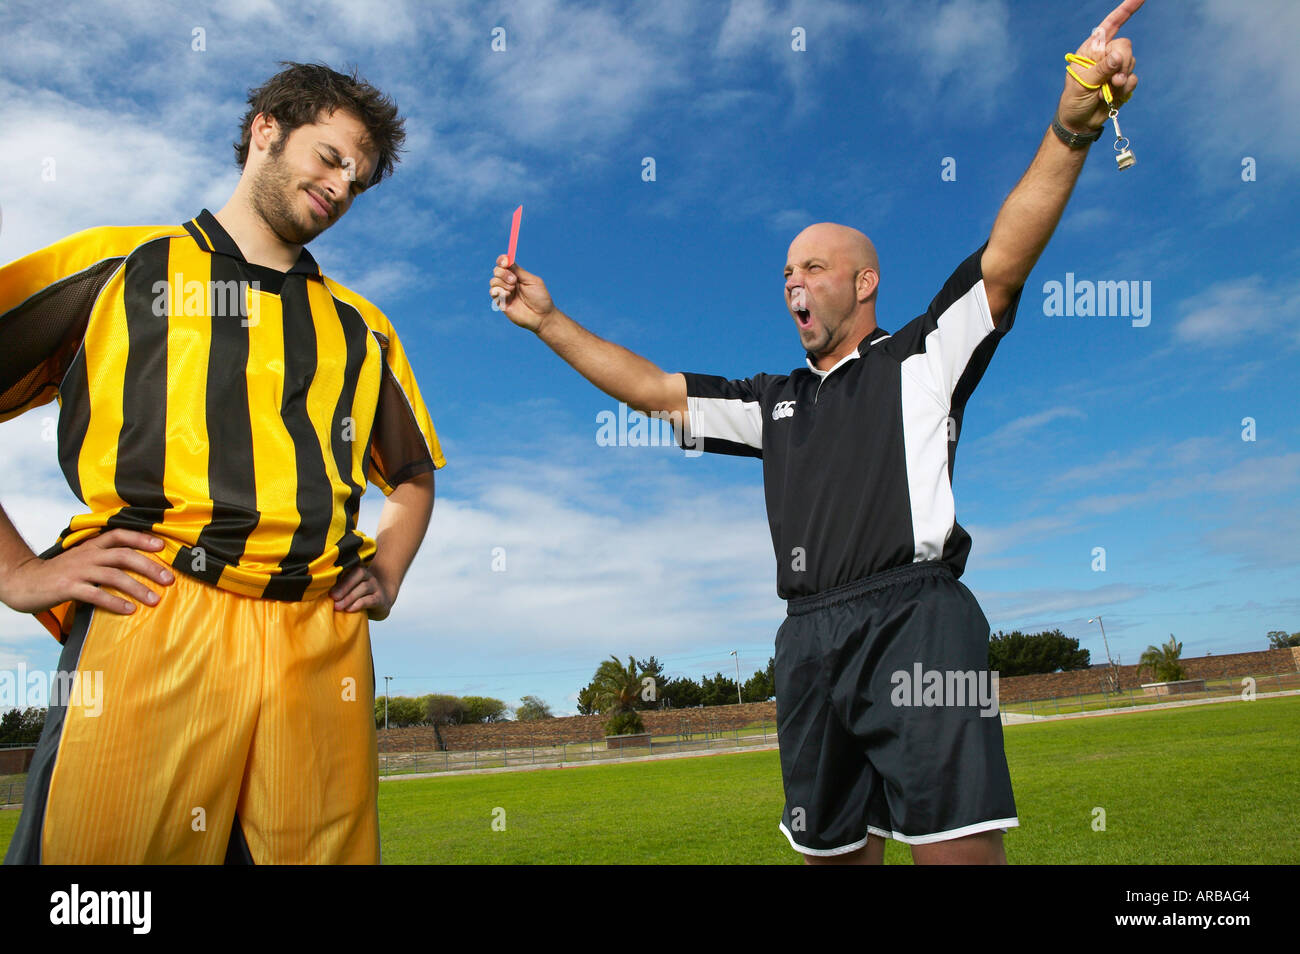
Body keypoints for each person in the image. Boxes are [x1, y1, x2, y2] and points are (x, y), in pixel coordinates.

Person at [490, 7, 1141, 864]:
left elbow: (1005, 256)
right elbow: (651, 390)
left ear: (864, 282)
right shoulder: (771, 402)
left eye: (813, 267)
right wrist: (547, 321)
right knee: (832, 855)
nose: (792, 282)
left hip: (916, 620)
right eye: (785, 272)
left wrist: (1068, 129)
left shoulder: (922, 355)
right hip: (807, 638)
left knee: (954, 851)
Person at [0, 62, 444, 864]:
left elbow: (411, 475)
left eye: (360, 179)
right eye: (332, 157)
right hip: (158, 608)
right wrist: (16, 570)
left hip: (321, 635)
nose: (343, 187)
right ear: (266, 130)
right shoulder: (119, 268)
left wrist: (390, 571)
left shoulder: (360, 326)